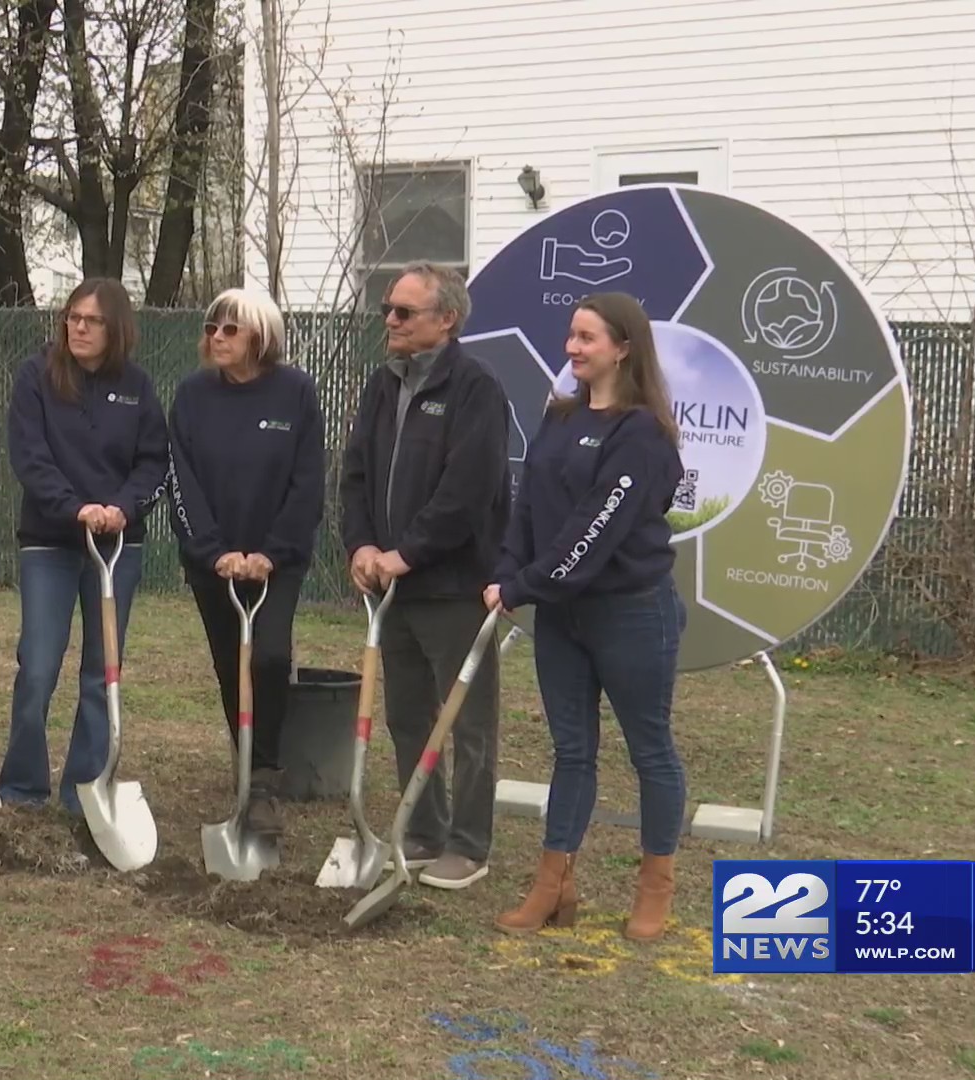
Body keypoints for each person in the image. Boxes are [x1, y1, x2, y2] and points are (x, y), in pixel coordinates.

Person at [487, 293, 688, 942]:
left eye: (587, 338)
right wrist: (508, 568)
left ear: (623, 347)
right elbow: (529, 505)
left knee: (649, 750)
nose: (572, 348)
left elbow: (592, 532)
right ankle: (554, 884)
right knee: (572, 751)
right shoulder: (560, 415)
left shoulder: (643, 435)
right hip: (563, 619)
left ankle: (655, 884)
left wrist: (526, 584)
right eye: (570, 336)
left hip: (630, 615)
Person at [338, 261, 511, 890]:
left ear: (447, 320)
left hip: (453, 586)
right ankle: (423, 827)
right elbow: (354, 473)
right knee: (408, 715)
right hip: (391, 588)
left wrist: (405, 554)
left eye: (405, 313)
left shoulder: (476, 389)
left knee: (468, 723)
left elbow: (467, 491)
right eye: (388, 309)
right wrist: (361, 544)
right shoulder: (382, 385)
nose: (390, 320)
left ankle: (468, 843)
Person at [0, 278, 169, 814]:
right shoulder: (37, 377)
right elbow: (30, 456)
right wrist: (74, 507)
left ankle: (82, 793)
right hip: (51, 542)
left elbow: (154, 461)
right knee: (39, 665)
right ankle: (23, 787)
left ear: (115, 327)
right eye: (73, 317)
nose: (78, 327)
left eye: (92, 320)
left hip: (117, 547)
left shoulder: (136, 387)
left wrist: (122, 507)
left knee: (102, 670)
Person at [166, 288, 325, 837]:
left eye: (230, 329)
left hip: (274, 563)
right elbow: (180, 480)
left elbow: (307, 484)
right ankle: (249, 764)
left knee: (270, 657)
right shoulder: (192, 395)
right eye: (212, 327)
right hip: (214, 563)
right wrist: (213, 553)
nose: (217, 338)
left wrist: (270, 554)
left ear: (261, 335)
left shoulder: (295, 392)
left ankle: (265, 774)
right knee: (230, 662)